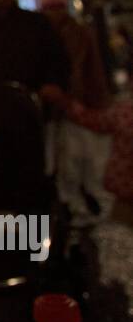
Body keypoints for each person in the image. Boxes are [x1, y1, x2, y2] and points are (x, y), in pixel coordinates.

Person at [40, 0, 111, 229]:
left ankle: (78, 205)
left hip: (75, 106)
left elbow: (82, 72)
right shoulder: (58, 33)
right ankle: (74, 203)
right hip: (67, 106)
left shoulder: (73, 34)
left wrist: (73, 102)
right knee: (69, 158)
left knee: (76, 158)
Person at [41, 83, 133, 223]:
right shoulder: (125, 113)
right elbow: (94, 120)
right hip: (123, 200)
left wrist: (63, 101)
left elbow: (93, 120)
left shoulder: (125, 113)